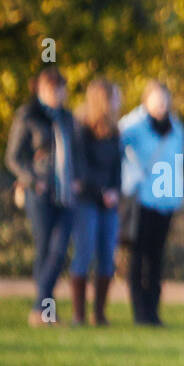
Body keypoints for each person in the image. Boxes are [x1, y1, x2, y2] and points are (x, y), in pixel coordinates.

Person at [6, 66, 83, 327]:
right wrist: (34, 180)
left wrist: (78, 180)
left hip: (66, 194)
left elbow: (77, 153)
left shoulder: (67, 117)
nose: (58, 93)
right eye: (53, 88)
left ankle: (41, 307)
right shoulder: (28, 116)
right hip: (40, 194)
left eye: (61, 88)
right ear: (40, 89)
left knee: (59, 250)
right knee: (44, 249)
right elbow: (13, 157)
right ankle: (44, 308)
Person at [120, 79, 184, 326]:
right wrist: (131, 175)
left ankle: (153, 311)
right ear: (146, 101)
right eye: (156, 99)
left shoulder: (176, 128)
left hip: (166, 202)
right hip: (142, 201)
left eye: (165, 99)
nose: (161, 104)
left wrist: (177, 196)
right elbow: (117, 148)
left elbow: (178, 163)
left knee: (156, 259)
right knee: (138, 257)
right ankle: (139, 312)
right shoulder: (134, 125)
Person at [72, 78, 123, 326]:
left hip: (109, 203)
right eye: (114, 97)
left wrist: (114, 192)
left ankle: (99, 314)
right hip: (87, 201)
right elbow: (81, 168)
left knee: (107, 257)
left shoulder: (114, 131)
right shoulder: (82, 130)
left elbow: (117, 167)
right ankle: (79, 315)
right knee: (84, 252)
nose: (118, 101)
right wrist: (101, 190)